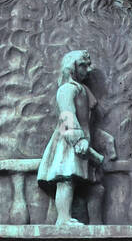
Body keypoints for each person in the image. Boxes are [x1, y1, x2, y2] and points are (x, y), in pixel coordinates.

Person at [36, 50, 103, 225]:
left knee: (75, 180)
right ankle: (63, 218)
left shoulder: (82, 90)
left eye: (88, 65)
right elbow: (67, 117)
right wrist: (77, 139)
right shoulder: (67, 89)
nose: (87, 70)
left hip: (83, 140)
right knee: (66, 179)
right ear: (71, 67)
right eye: (83, 65)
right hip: (69, 140)